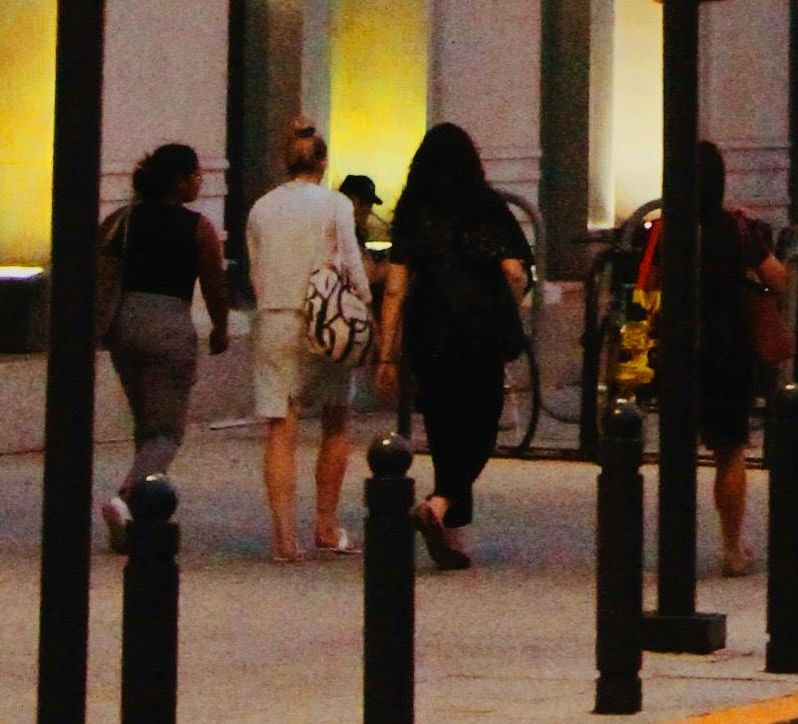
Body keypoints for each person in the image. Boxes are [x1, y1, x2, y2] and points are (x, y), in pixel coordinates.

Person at [627, 140, 788, 569]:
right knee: (730, 449)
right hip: (729, 344)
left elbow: (644, 291)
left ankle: (675, 543)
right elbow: (778, 279)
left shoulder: (662, 230)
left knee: (677, 446)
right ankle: (732, 548)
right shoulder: (739, 228)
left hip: (677, 346)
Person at [379, 120, 532, 567]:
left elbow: (395, 286)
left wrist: (387, 353)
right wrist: (511, 308)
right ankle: (442, 504)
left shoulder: (412, 209)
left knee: (444, 425)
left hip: (430, 328)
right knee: (481, 424)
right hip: (478, 328)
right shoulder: (487, 205)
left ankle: (447, 527)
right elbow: (515, 272)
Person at [244, 117, 372, 561]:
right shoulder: (335, 205)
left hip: (275, 315)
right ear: (323, 160)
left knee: (281, 425)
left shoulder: (260, 208)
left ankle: (284, 537)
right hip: (327, 318)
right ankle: (326, 523)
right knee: (336, 422)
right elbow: (352, 265)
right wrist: (366, 309)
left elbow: (256, 270)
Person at [96, 138, 230, 546]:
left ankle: (138, 522)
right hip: (170, 323)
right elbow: (213, 283)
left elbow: (100, 271)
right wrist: (221, 327)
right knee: (166, 432)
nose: (199, 183)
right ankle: (127, 499)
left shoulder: (122, 220)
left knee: (145, 423)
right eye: (194, 176)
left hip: (126, 322)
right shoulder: (198, 227)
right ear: (179, 182)